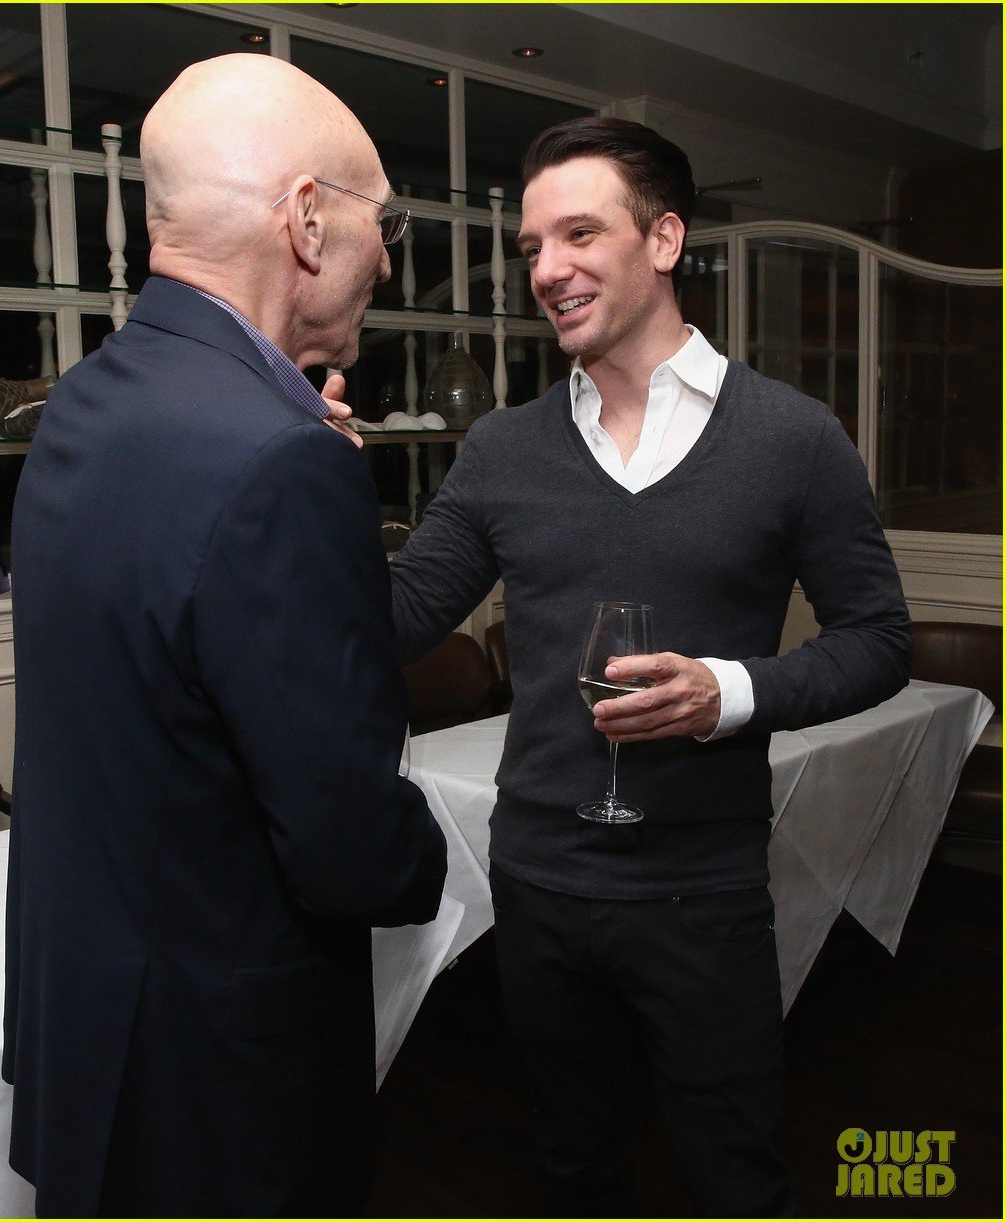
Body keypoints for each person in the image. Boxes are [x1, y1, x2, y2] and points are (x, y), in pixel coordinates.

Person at [388, 117, 910, 1217]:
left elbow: (877, 639)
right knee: (569, 1162)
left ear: (664, 239)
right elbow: (386, 622)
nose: (547, 270)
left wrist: (731, 692)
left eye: (579, 232)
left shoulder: (793, 438)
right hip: (534, 882)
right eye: (533, 245)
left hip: (702, 889)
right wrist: (300, 483)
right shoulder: (501, 451)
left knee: (731, 1167)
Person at [2, 54, 446, 1219]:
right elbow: (349, 845)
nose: (388, 258)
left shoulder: (87, 401)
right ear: (305, 218)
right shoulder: (277, 460)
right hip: (220, 1090)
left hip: (95, 1037)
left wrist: (290, 435)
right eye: (379, 220)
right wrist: (437, 852)